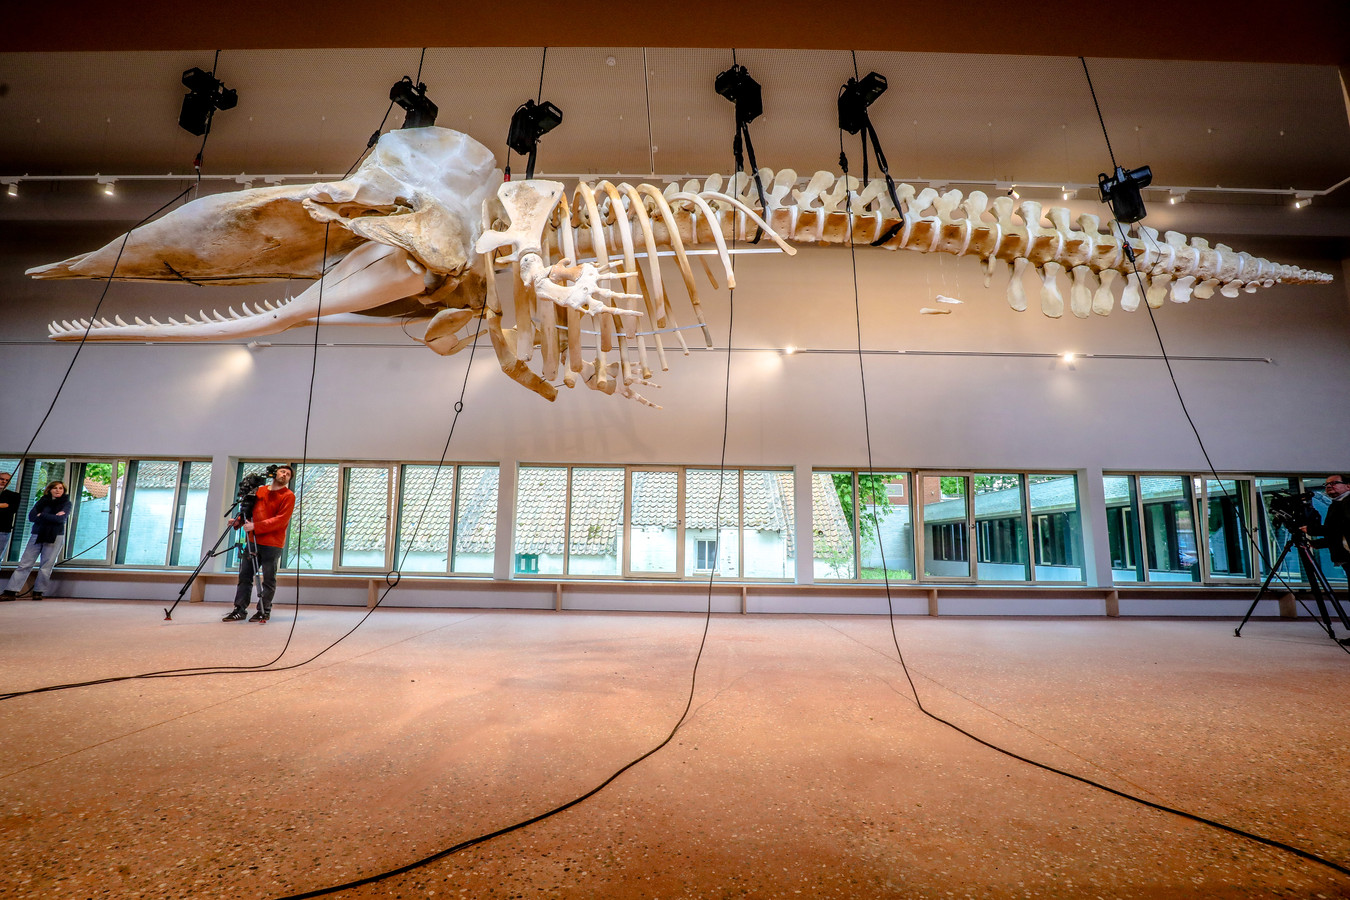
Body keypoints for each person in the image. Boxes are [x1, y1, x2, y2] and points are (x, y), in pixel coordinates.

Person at [223, 464, 295, 623]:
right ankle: (239, 610)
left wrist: (256, 526)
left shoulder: (288, 495)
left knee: (268, 579)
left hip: (272, 544)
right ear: (275, 473)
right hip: (252, 541)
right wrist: (238, 521)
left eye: (288, 474)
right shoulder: (260, 490)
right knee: (245, 576)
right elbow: (249, 512)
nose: (284, 475)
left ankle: (264, 611)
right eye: (282, 472)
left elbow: (281, 521)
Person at [1, 481, 72, 601]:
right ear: (49, 490)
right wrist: (50, 516)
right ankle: (11, 591)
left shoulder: (66, 503)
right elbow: (32, 517)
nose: (58, 490)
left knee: (46, 565)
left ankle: (38, 591)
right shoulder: (42, 501)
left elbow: (60, 519)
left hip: (55, 536)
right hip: (37, 534)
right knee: (25, 563)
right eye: (54, 488)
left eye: (60, 488)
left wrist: (42, 515)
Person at [1309, 474, 1350, 587]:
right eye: (1326, 484)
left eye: (1334, 483)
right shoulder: (1336, 504)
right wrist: (1318, 543)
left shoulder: (1347, 503)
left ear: (1348, 486)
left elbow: (1341, 528)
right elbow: (1338, 535)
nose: (1329, 486)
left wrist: (1312, 530)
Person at [0, 470, 19, 569]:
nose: (4, 481)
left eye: (7, 480)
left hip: (3, 530)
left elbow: (12, 509)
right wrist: (3, 505)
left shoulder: (13, 495)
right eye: (1, 479)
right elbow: (6, 506)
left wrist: (6, 506)